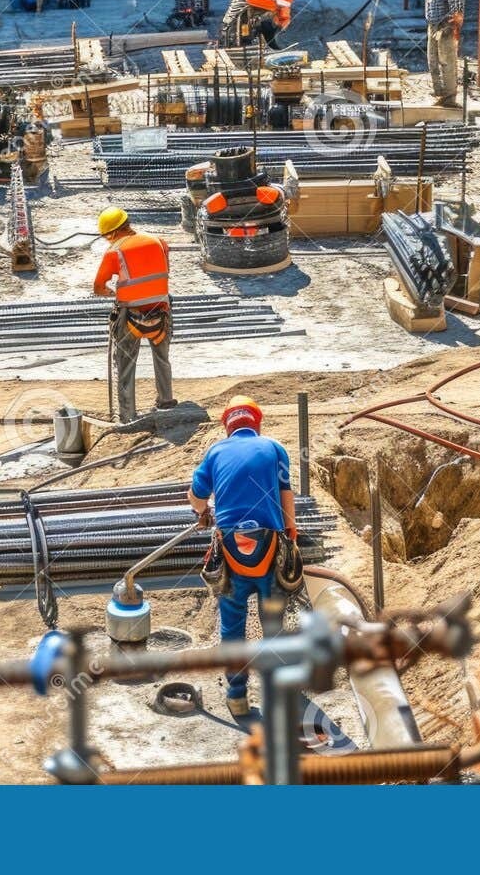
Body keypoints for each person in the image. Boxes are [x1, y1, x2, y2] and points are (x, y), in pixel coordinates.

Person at [190, 396, 299, 717]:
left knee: (232, 627)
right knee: (273, 624)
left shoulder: (215, 452)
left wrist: (204, 510)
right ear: (256, 423)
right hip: (269, 550)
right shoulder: (273, 448)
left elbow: (196, 496)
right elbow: (285, 494)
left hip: (230, 551)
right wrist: (290, 533)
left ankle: (237, 697)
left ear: (227, 426)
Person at [93, 206, 175, 422]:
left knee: (126, 364)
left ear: (111, 233)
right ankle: (166, 401)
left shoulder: (115, 251)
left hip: (130, 316)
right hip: (161, 311)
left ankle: (127, 415)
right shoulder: (159, 241)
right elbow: (161, 272)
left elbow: (99, 286)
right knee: (162, 358)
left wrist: (113, 292)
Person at [425, 0, 466, 109]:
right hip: (434, 27)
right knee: (433, 61)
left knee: (446, 63)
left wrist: (452, 27)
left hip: (444, 28)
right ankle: (440, 93)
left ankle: (449, 98)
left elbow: (456, 10)